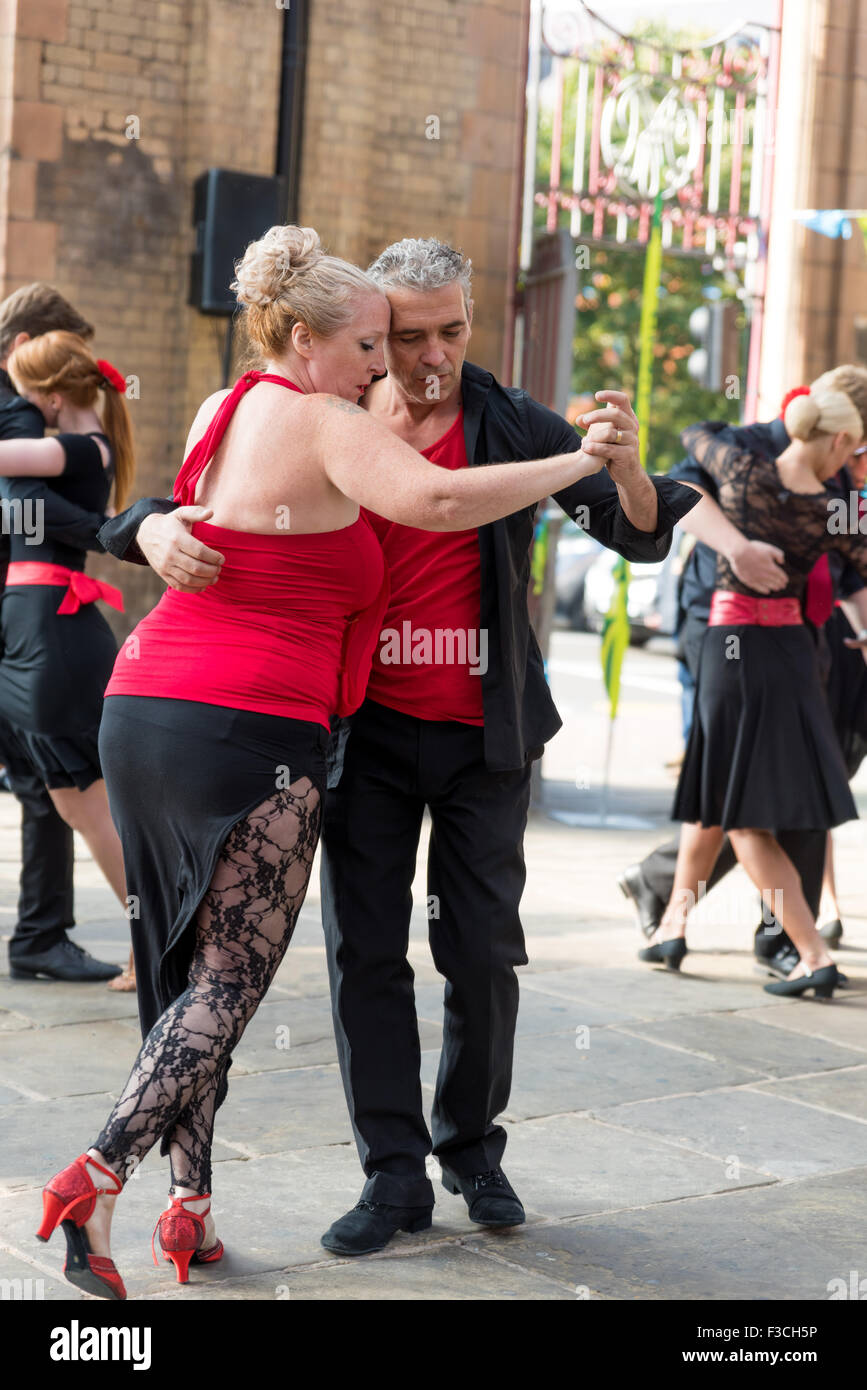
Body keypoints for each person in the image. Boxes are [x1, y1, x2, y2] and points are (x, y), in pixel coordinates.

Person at [35, 224, 673, 1300]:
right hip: (302, 732)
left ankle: (362, 1172)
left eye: (439, 334)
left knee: (420, 959)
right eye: (388, 337)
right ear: (321, 332)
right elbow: (398, 500)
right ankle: (311, 1177)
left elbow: (636, 532)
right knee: (287, 973)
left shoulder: (464, 414)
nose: (408, 359)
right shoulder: (330, 414)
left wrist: (616, 464)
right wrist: (142, 526)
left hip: (334, 723)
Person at [639, 368, 867, 999]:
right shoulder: (833, 510)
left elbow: (695, 436)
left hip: (731, 654)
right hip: (791, 654)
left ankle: (811, 953)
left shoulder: (741, 473)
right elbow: (862, 574)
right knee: (719, 795)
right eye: (855, 448)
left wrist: (735, 538)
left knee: (740, 818)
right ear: (839, 441)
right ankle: (671, 926)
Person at [0, 286, 120, 984]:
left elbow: (22, 507)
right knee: (60, 788)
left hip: (34, 623)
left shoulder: (59, 434)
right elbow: (23, 508)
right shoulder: (22, 408)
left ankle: (45, 937)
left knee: (61, 787)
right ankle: (42, 937)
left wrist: (112, 534)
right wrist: (113, 534)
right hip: (27, 624)